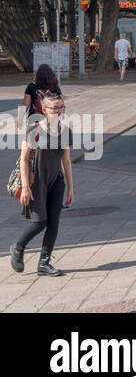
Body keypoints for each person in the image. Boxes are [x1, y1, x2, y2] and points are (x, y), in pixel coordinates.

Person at [11, 95, 74, 276]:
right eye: (54, 108)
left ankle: (44, 263)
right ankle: (18, 246)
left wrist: (71, 187)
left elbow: (67, 161)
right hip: (36, 183)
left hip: (56, 182)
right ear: (45, 110)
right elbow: (23, 160)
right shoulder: (34, 130)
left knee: (53, 223)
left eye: (61, 107)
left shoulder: (66, 131)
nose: (59, 111)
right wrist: (25, 187)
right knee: (39, 223)